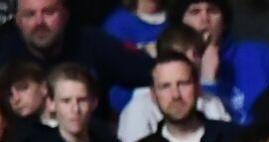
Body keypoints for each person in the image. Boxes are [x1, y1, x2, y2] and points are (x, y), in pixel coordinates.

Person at [0, 0, 154, 99]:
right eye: (30, 14)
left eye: (49, 12)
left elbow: (149, 72)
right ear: (18, 21)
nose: (39, 22)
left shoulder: (92, 42)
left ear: (65, 15)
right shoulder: (4, 53)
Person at [171, 0, 269, 124]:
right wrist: (207, 81)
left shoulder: (261, 55)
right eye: (195, 12)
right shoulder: (174, 66)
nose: (205, 19)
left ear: (224, 23)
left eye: (212, 11)